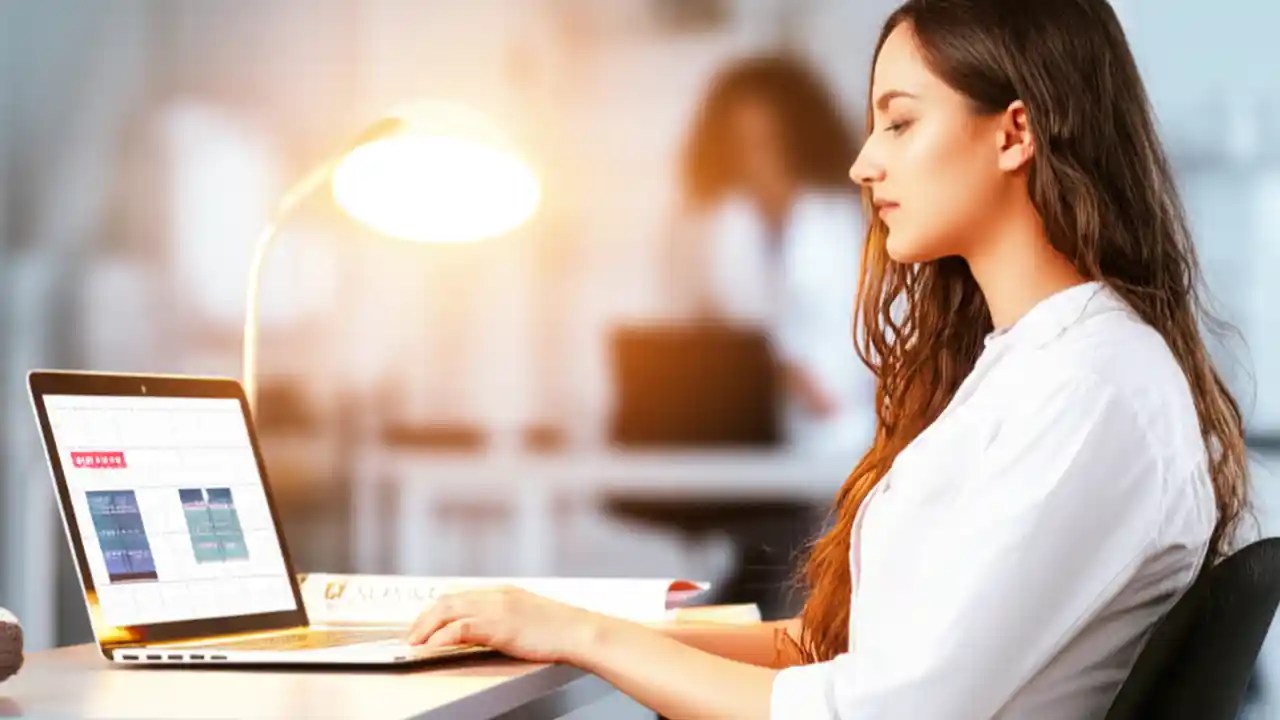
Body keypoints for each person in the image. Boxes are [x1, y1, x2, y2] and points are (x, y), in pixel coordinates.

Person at [405, 1, 1250, 717]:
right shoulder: (1034, 367)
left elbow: (877, 706)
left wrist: (583, 636)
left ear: (1014, 133)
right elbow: (836, 648)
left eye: (901, 121)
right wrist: (574, 624)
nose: (862, 162)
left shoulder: (1089, 387)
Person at [674, 55, 874, 454]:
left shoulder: (851, 223)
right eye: (740, 145)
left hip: (848, 436)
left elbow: (876, 344)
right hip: (742, 445)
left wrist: (801, 380)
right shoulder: (708, 232)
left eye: (767, 143)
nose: (755, 161)